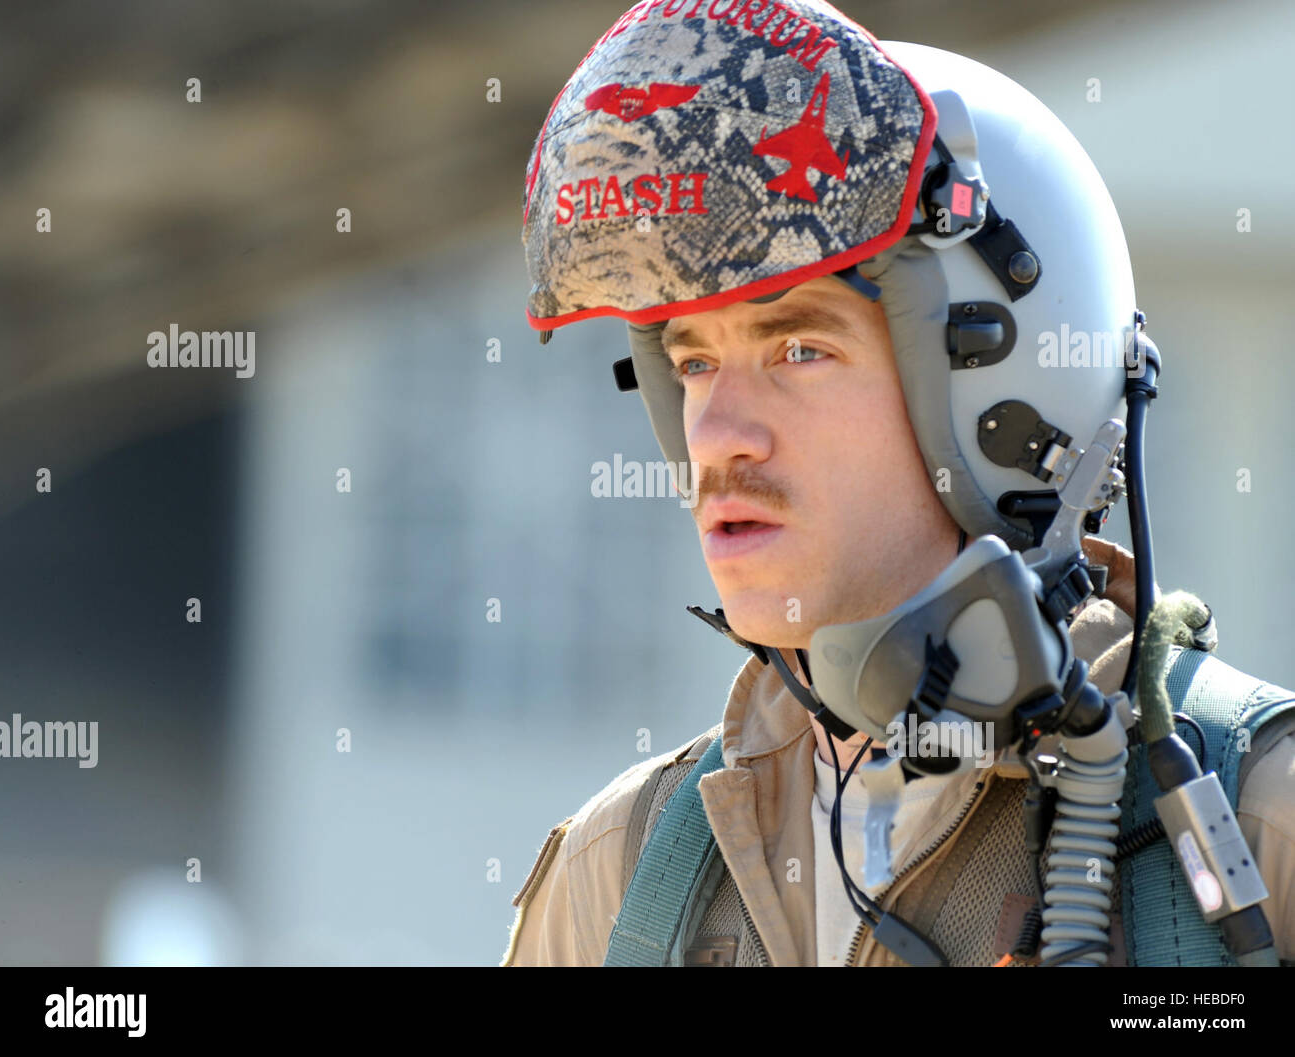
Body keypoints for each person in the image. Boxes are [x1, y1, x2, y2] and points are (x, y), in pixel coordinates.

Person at [501, 0, 1295, 967]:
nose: (716, 438)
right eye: (693, 362)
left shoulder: (1264, 826)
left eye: (796, 346)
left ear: (1007, 390)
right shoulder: (618, 880)